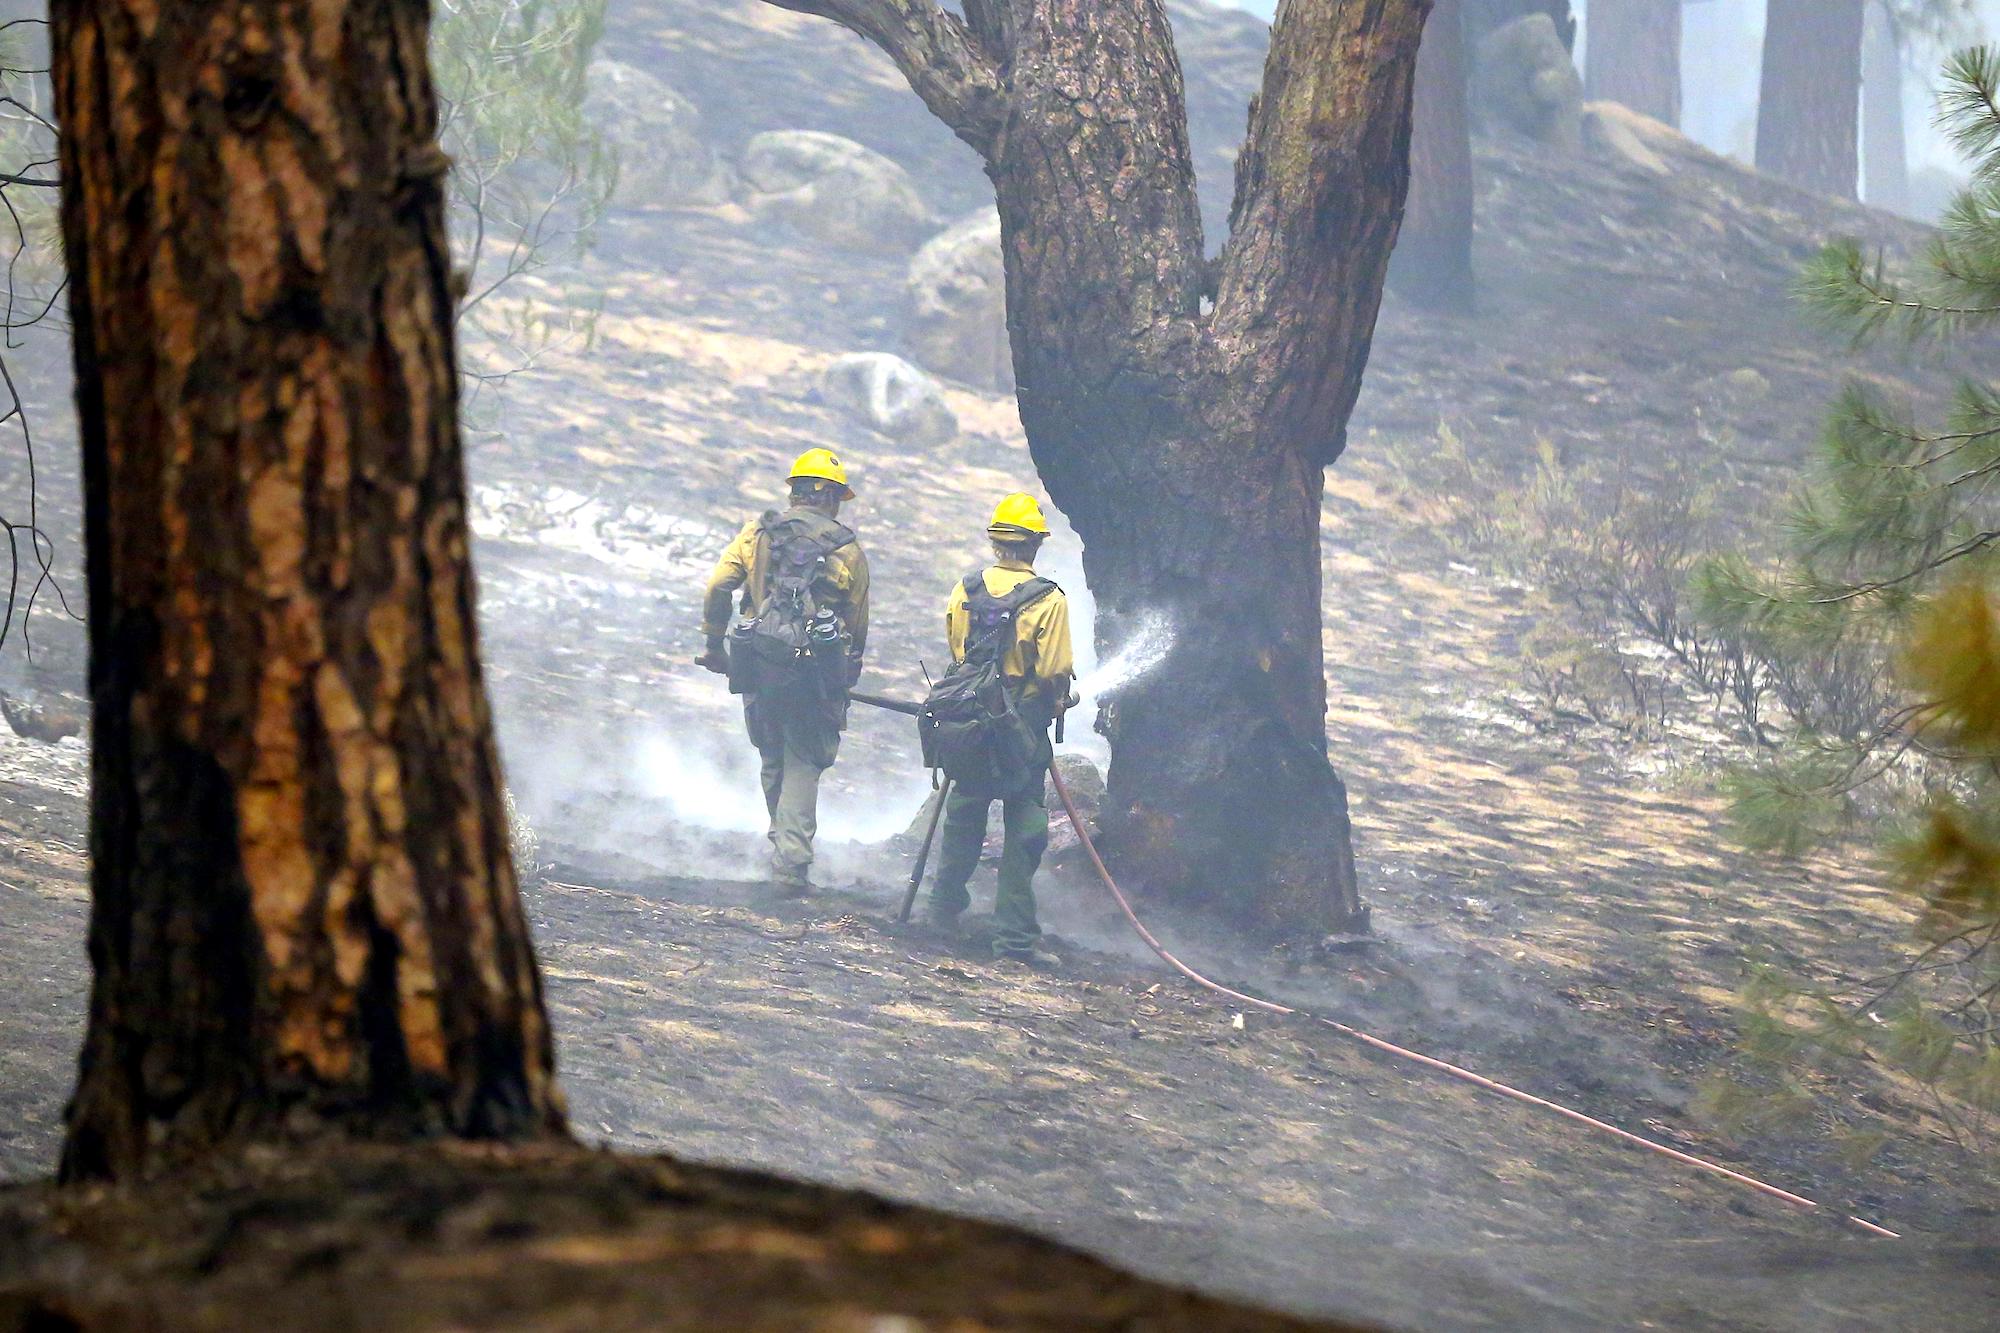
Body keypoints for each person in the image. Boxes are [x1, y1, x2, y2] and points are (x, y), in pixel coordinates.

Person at [697, 449, 869, 893]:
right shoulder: (847, 549)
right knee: (804, 761)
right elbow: (855, 624)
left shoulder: (757, 533)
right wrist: (843, 679)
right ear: (831, 497)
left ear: (794, 491)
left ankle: (782, 845)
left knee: (772, 753)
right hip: (816, 674)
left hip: (759, 663)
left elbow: (718, 586)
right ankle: (791, 863)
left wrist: (714, 644)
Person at [925, 493, 1074, 967]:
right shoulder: (1048, 599)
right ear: (1035, 544)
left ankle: (942, 908)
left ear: (995, 541)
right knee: (1025, 824)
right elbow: (1054, 672)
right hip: (1020, 728)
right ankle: (1013, 939)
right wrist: (1055, 701)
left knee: (965, 809)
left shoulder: (964, 589)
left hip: (967, 721)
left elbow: (958, 652)